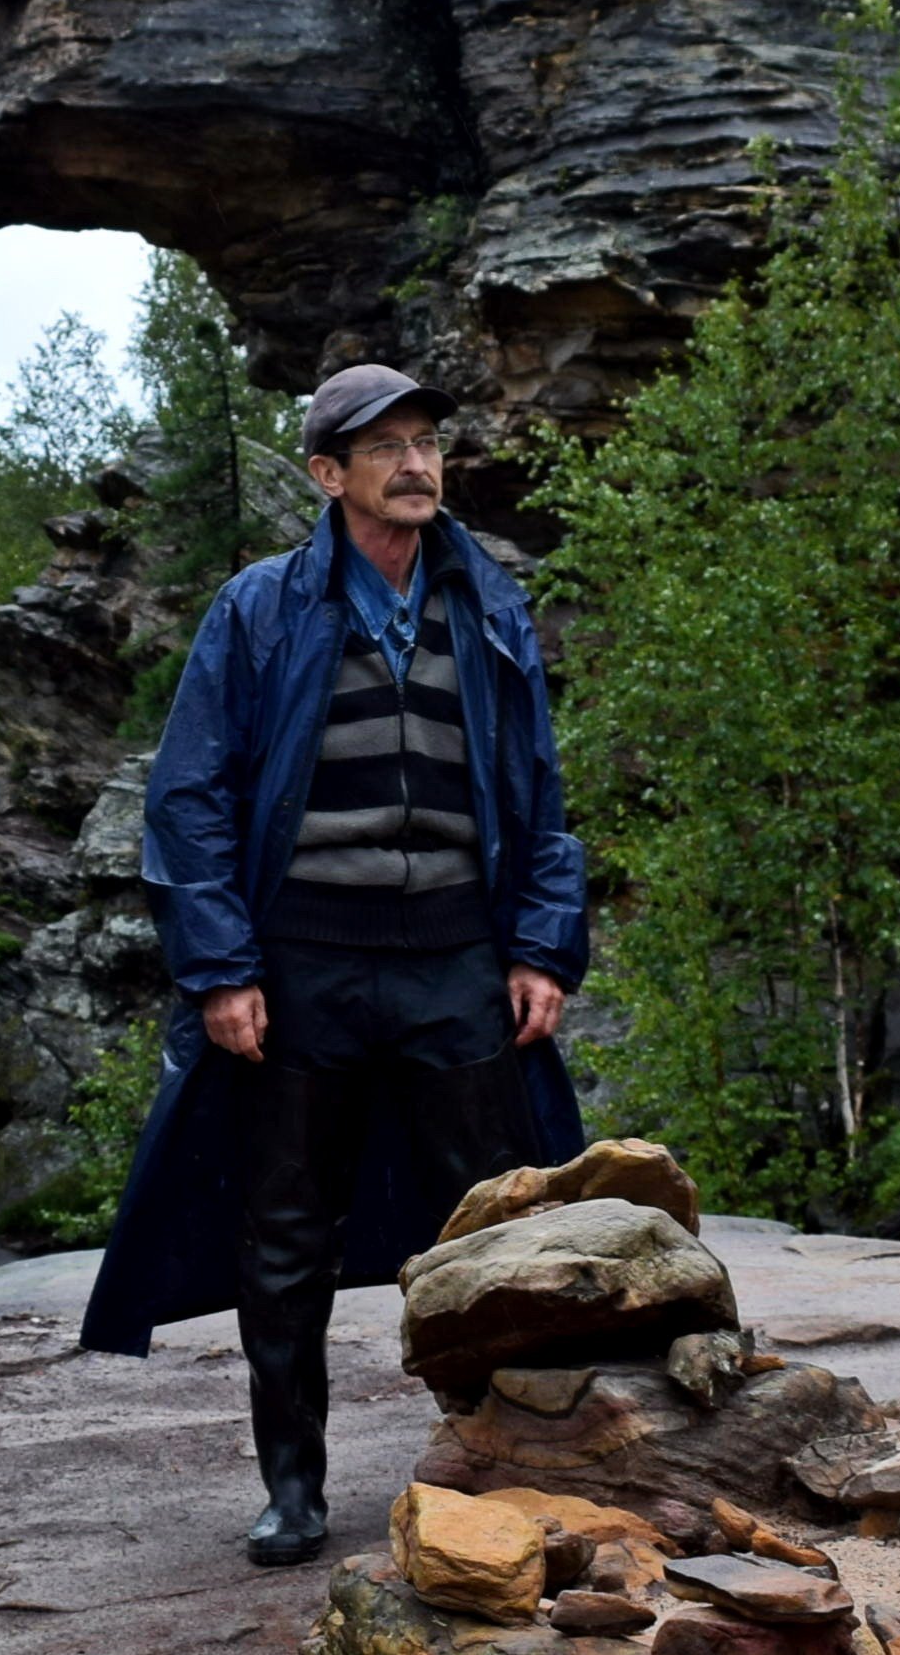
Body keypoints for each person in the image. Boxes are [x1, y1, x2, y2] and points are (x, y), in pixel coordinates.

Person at [78, 364, 589, 1562]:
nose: (418, 464)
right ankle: (294, 1491)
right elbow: (189, 799)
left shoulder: (488, 603)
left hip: (456, 960)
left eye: (427, 443)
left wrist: (540, 943)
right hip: (302, 964)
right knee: (285, 1229)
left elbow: (540, 791)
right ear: (327, 473)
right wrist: (221, 969)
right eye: (388, 448)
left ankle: (494, 1466)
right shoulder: (262, 608)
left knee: (489, 1228)